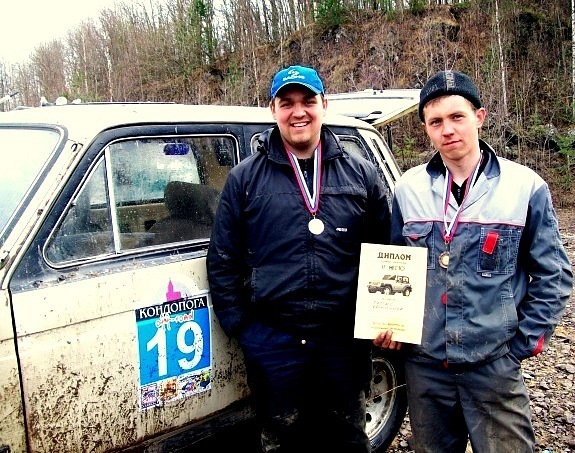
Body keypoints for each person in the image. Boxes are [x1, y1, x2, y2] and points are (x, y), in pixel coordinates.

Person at [373, 69, 573, 452]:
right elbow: (394, 265)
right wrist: (388, 323)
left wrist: (520, 346)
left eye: (457, 117)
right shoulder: (408, 189)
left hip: (492, 366)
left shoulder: (524, 187)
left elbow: (555, 276)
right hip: (427, 367)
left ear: (479, 117)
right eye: (436, 122)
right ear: (426, 129)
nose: (447, 129)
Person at [207, 65, 391, 452]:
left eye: (308, 101)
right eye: (287, 103)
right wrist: (243, 328)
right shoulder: (244, 179)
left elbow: (385, 249)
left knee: (346, 440)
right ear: (273, 109)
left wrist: (383, 319)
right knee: (282, 441)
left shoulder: (361, 174)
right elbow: (223, 258)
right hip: (275, 342)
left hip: (343, 342)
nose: (298, 112)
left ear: (324, 105)